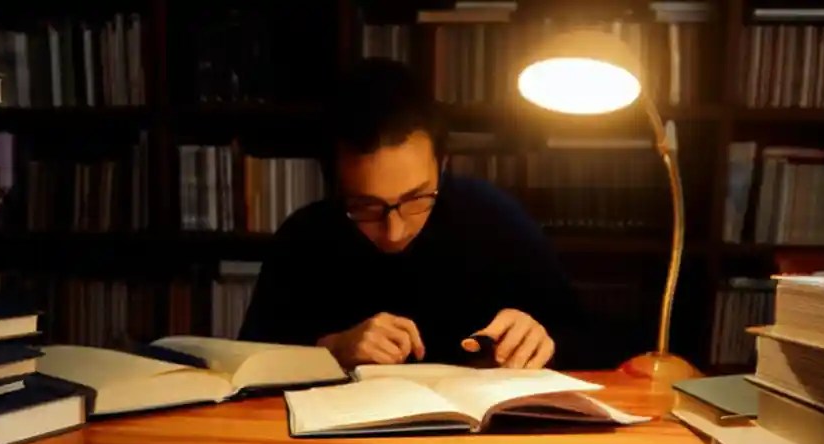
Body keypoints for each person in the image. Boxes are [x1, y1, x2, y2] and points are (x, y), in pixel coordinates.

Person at [238, 59, 588, 369]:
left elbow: (593, 339)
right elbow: (247, 365)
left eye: (417, 198)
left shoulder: (496, 221)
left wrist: (543, 341)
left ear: (442, 164)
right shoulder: (303, 239)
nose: (394, 230)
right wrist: (328, 351)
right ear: (333, 185)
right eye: (365, 206)